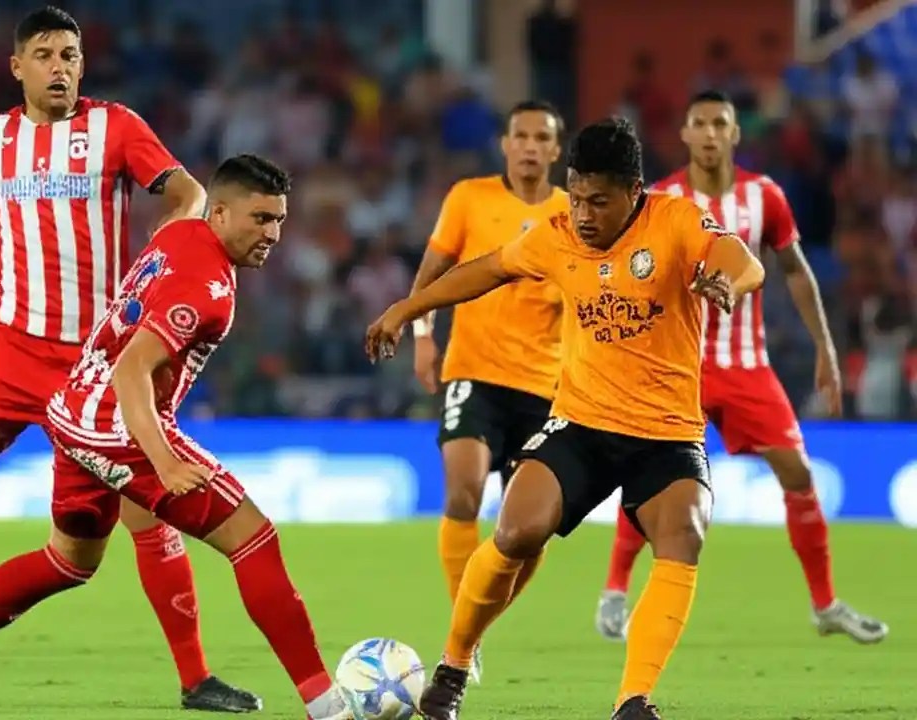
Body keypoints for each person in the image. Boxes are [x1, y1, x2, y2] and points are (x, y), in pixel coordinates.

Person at [0, 7, 258, 712]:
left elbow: (188, 194)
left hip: (95, 362)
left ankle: (194, 679)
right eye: (45, 54)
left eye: (70, 54)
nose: (60, 66)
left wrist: (161, 259)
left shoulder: (116, 128)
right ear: (17, 67)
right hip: (8, 342)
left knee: (143, 516)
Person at [0, 154, 360, 720]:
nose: (272, 234)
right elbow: (133, 370)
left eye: (278, 220)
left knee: (67, 562)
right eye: (260, 219)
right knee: (254, 540)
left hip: (72, 407)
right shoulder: (206, 289)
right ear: (220, 214)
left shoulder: (181, 233)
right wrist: (164, 461)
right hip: (114, 423)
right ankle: (328, 707)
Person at [366, 117, 767, 720]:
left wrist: (729, 284)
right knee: (514, 532)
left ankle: (633, 701)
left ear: (634, 192)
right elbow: (487, 269)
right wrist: (408, 308)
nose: (583, 214)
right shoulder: (555, 235)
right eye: (576, 197)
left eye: (598, 202)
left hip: (666, 432)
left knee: (683, 534)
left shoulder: (676, 221)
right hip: (583, 421)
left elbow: (744, 261)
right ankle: (452, 667)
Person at [596, 90, 888, 645]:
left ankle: (825, 606)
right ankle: (614, 589)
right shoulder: (658, 200)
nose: (709, 133)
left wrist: (825, 349)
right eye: (699, 123)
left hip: (747, 366)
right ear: (684, 134)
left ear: (735, 134)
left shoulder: (765, 197)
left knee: (798, 474)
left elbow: (797, 272)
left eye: (720, 123)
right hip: (676, 366)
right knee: (646, 476)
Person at [411, 100, 569, 683]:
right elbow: (431, 273)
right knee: (463, 493)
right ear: (505, 144)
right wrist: (422, 335)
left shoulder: (572, 214)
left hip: (548, 386)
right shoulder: (469, 198)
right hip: (474, 373)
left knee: (532, 528)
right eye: (520, 135)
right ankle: (463, 631)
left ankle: (474, 628)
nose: (529, 145)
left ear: (556, 150)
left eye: (542, 137)